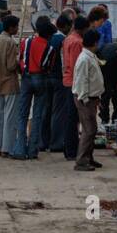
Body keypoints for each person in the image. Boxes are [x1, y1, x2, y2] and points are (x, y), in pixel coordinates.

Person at [12, 16, 55, 160]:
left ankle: (19, 149)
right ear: (48, 34)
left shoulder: (27, 41)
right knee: (37, 115)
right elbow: (48, 67)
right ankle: (32, 150)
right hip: (41, 78)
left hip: (27, 77)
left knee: (22, 114)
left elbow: (21, 59)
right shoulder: (50, 48)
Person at [72, 29, 105, 171]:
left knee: (92, 129)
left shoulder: (90, 56)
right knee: (88, 130)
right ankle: (81, 160)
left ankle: (88, 157)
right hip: (85, 99)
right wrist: (85, 98)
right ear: (95, 43)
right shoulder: (84, 59)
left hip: (92, 98)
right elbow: (81, 81)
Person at [56, 15, 87, 161]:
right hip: (74, 82)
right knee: (73, 117)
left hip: (68, 80)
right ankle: (71, 149)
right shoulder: (76, 42)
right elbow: (77, 66)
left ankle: (70, 148)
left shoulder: (69, 38)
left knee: (71, 117)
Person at [0, 14, 20, 156]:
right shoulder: (11, 43)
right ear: (11, 27)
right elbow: (12, 65)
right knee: (9, 117)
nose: (18, 29)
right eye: (17, 26)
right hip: (9, 82)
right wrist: (19, 61)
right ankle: (7, 147)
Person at [45, 13, 72, 153]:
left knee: (47, 109)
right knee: (59, 111)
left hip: (47, 77)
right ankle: (56, 143)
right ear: (66, 26)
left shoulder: (49, 38)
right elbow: (65, 62)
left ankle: (44, 142)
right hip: (59, 78)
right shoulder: (63, 40)